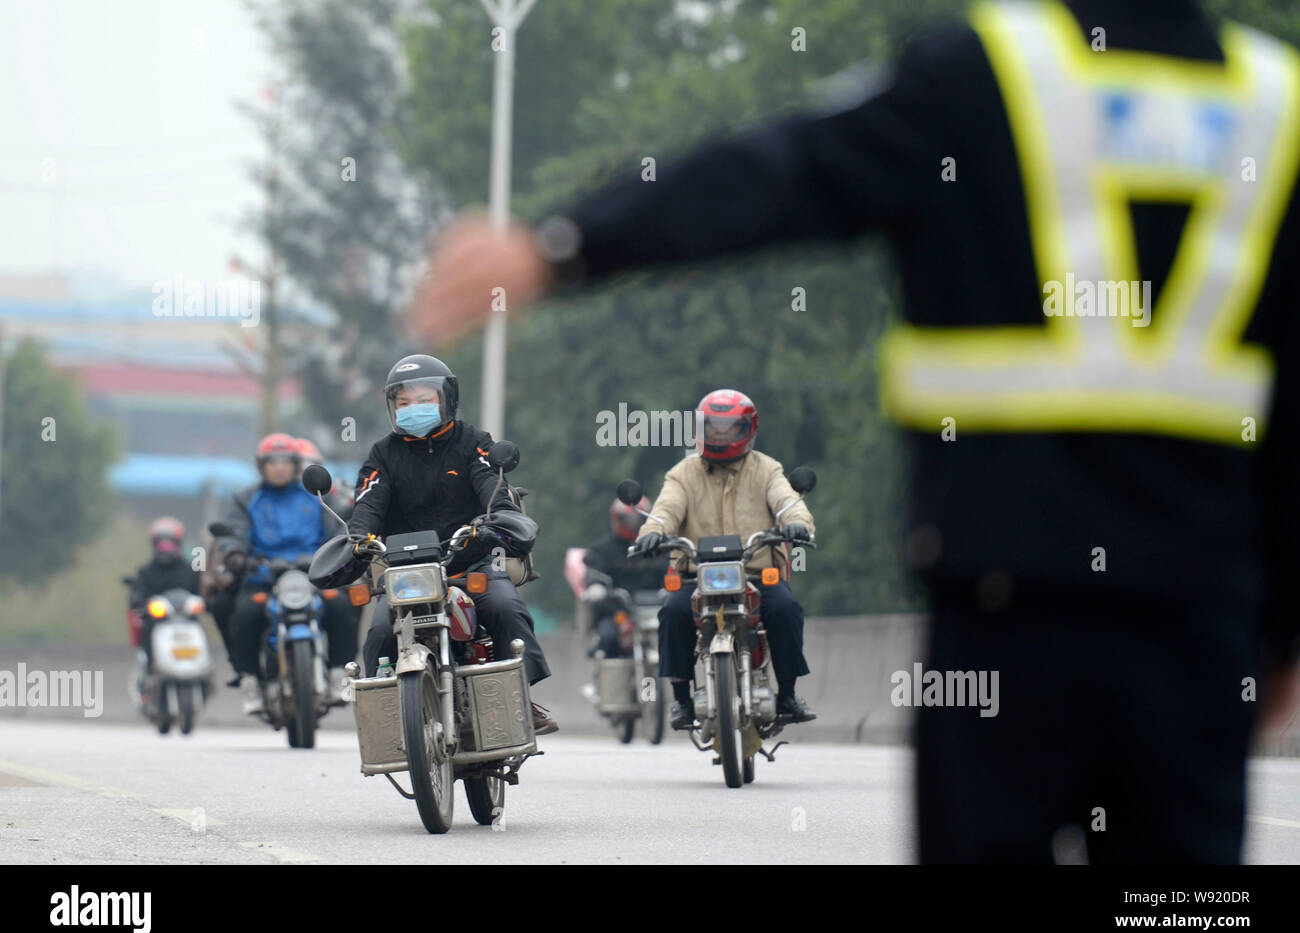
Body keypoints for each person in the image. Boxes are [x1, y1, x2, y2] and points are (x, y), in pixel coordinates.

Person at [411, 1, 1300, 862]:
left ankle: (782, 693)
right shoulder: (1275, 105)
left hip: (1008, 608)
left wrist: (563, 246)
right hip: (1200, 619)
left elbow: (779, 170)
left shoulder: (983, 73)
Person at [346, 354, 558, 734]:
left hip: (470, 563)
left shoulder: (474, 442)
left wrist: (498, 518)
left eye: (424, 399)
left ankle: (519, 698)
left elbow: (492, 487)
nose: (414, 409)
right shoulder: (383, 454)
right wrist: (358, 539)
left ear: (447, 400)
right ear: (392, 407)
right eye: (404, 402)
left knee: (506, 606)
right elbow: (367, 504)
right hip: (406, 573)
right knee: (379, 631)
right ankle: (389, 718)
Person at [630, 389, 816, 729]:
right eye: (712, 426)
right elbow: (665, 510)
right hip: (696, 574)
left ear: (747, 429)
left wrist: (797, 525)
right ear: (701, 428)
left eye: (728, 427)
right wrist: (651, 534)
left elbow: (788, 502)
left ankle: (787, 693)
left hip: (757, 574)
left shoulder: (767, 469)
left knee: (786, 608)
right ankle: (682, 699)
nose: (719, 433)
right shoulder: (682, 473)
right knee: (672, 612)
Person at [218, 433, 357, 713]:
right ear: (261, 465)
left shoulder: (316, 497)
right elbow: (233, 533)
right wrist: (235, 554)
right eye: (273, 462)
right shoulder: (246, 499)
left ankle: (336, 673)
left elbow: (339, 529)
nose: (279, 467)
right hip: (264, 577)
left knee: (341, 607)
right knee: (245, 615)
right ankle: (251, 681)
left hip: (314, 576)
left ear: (296, 465)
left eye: (286, 461)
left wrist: (348, 543)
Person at [581, 495, 666, 659]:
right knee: (607, 637)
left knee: (680, 633)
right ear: (616, 518)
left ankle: (680, 681)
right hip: (619, 612)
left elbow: (672, 568)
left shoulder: (660, 545)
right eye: (627, 519)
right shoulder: (604, 548)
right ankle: (608, 680)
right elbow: (594, 572)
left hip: (656, 612)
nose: (632, 524)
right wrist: (596, 587)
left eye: (637, 518)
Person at [127, 517, 202, 672]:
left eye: (170, 543)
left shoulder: (191, 572)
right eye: (162, 543)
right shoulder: (145, 572)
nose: (165, 548)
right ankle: (150, 670)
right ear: (154, 544)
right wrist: (137, 599)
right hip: (158, 624)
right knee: (147, 631)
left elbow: (203, 593)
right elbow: (137, 594)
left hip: (187, 622)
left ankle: (203, 667)